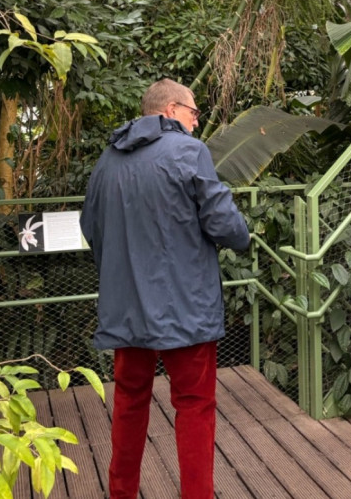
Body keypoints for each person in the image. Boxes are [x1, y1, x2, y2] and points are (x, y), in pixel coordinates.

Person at [80, 79, 250, 499]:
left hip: (127, 306)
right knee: (194, 404)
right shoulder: (190, 151)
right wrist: (241, 233)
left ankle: (121, 492)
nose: (197, 122)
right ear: (172, 109)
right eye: (194, 113)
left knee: (129, 400)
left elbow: (90, 227)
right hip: (186, 305)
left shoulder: (108, 159)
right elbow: (226, 226)